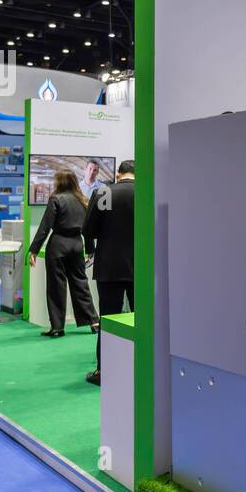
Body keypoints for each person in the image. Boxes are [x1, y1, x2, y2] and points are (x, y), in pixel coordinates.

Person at [82, 159, 136, 385]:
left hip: (109, 267)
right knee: (142, 319)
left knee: (109, 319)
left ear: (118, 174)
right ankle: (140, 367)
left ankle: (105, 371)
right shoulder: (146, 193)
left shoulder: (105, 193)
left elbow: (89, 229)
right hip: (140, 266)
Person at [29, 170, 99, 337]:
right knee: (80, 283)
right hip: (76, 244)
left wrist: (33, 250)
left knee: (56, 286)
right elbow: (88, 229)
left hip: (58, 245)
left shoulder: (56, 199)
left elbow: (45, 227)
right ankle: (94, 321)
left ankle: (57, 327)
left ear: (59, 182)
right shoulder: (83, 200)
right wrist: (90, 250)